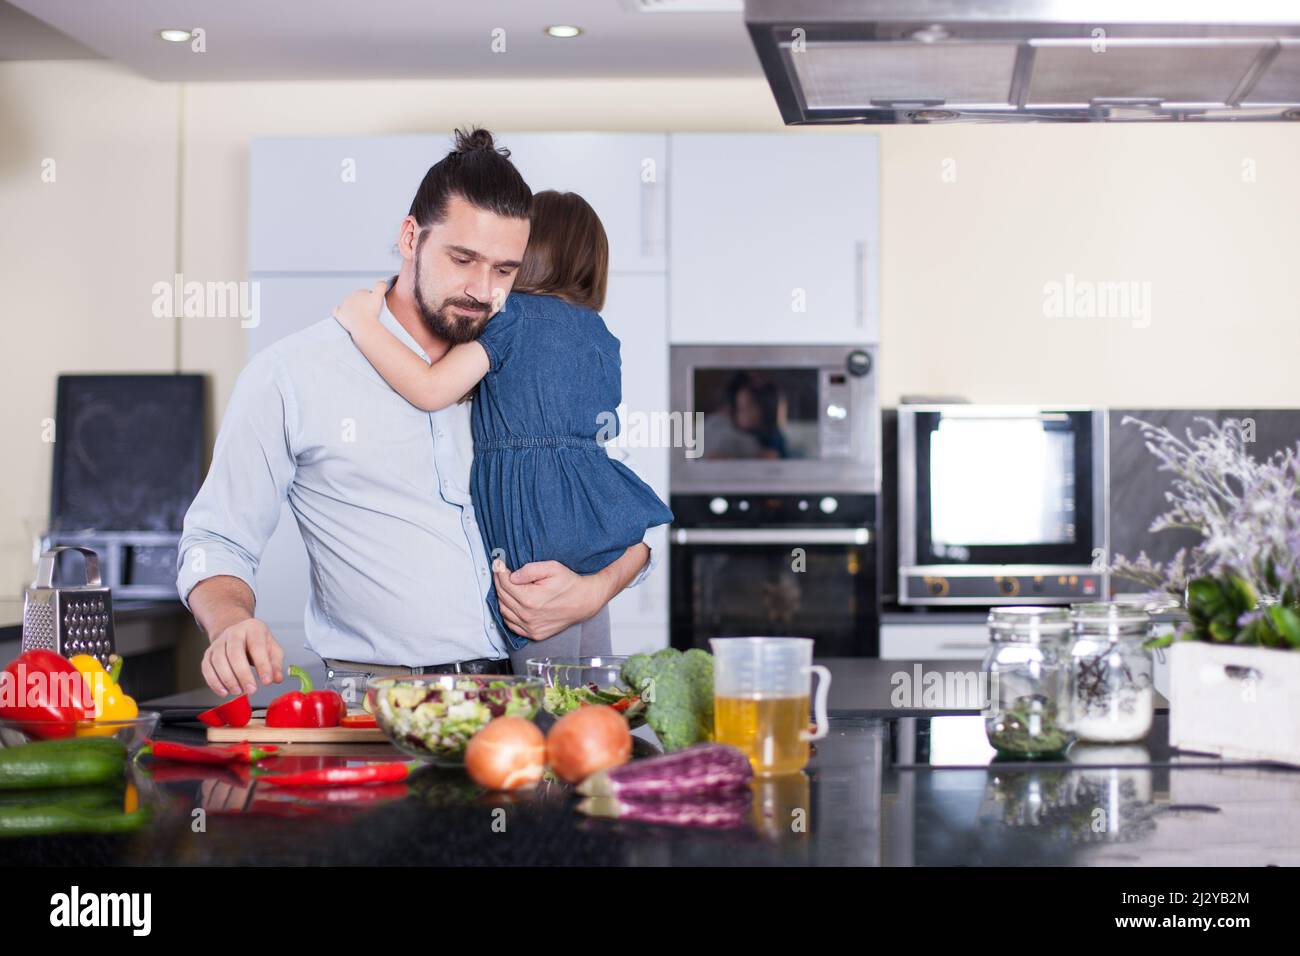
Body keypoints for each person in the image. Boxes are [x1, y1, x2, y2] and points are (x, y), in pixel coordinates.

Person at [178, 128, 658, 700]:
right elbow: (216, 537)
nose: (483, 290)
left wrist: (593, 591)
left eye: (505, 270)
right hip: (386, 705)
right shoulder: (290, 375)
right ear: (411, 237)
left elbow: (623, 523)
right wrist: (230, 621)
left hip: (531, 698)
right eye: (463, 259)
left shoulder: (533, 359)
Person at [332, 188, 673, 668]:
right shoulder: (599, 334)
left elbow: (430, 390)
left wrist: (362, 324)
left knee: (542, 692)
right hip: (594, 515)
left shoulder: (510, 319)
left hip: (534, 520)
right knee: (591, 688)